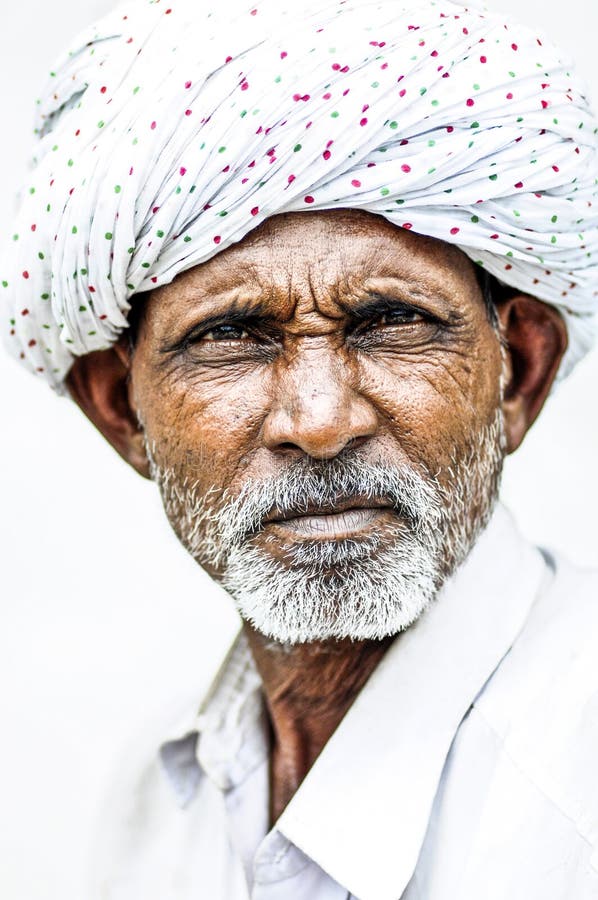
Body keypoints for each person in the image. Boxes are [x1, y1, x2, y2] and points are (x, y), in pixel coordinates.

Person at [2, 0, 598, 897]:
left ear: (519, 373)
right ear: (121, 411)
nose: (320, 422)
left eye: (393, 321)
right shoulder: (158, 802)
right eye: (233, 335)